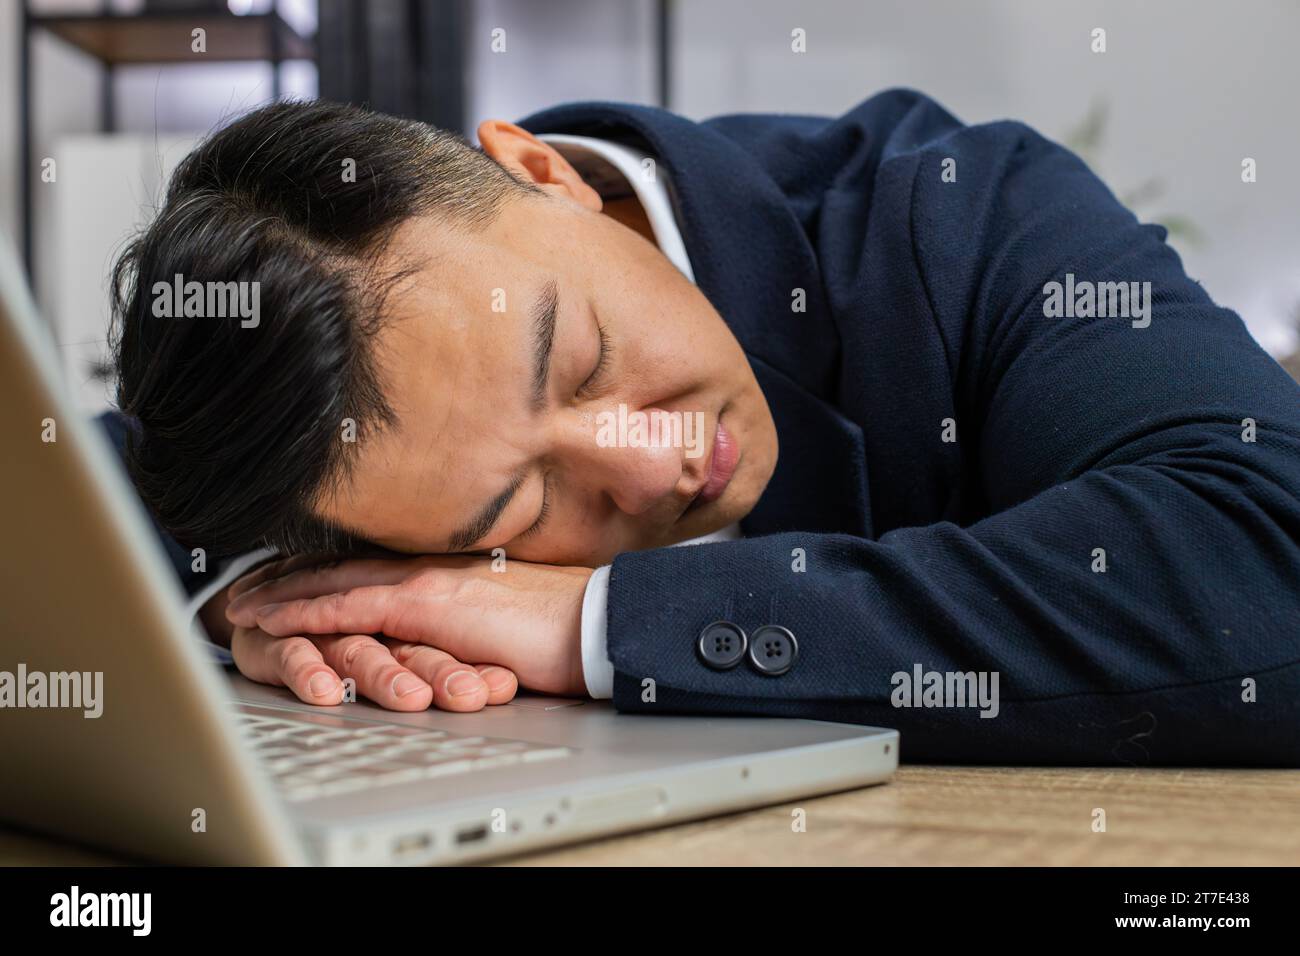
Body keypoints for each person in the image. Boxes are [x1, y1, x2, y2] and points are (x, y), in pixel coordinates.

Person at [103, 89, 1300, 764]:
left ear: (543, 174)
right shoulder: (321, 505)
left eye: (579, 363)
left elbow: (1261, 551)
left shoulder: (969, 212)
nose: (656, 462)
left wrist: (590, 616)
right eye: (518, 514)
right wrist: (260, 596)